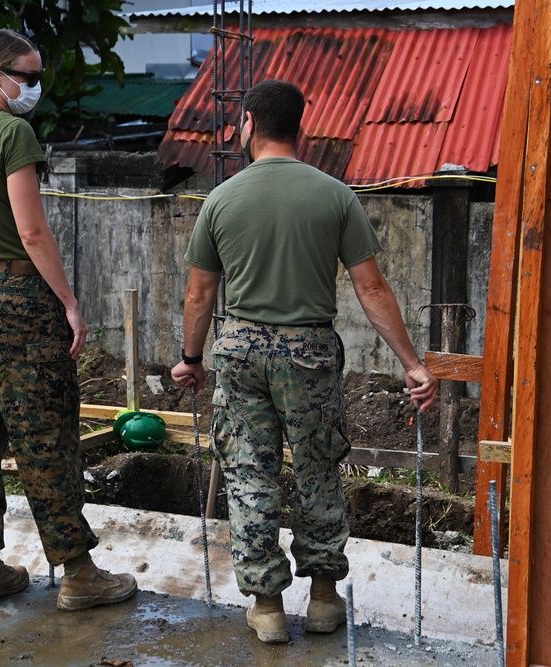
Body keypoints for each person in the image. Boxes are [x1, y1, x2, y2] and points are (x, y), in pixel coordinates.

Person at [170, 79, 438, 644]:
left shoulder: (221, 197)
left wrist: (191, 359)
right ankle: (321, 600)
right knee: (317, 469)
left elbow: (199, 295)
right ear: (302, 129)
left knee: (250, 475)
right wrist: (411, 363)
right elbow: (372, 288)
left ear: (247, 125)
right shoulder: (334, 194)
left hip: (241, 350)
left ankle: (267, 606)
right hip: (310, 352)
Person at [0, 29, 136, 612]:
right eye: (26, 76)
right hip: (20, 294)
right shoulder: (11, 131)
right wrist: (69, 303)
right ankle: (77, 573)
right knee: (45, 432)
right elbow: (32, 230)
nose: (35, 87)